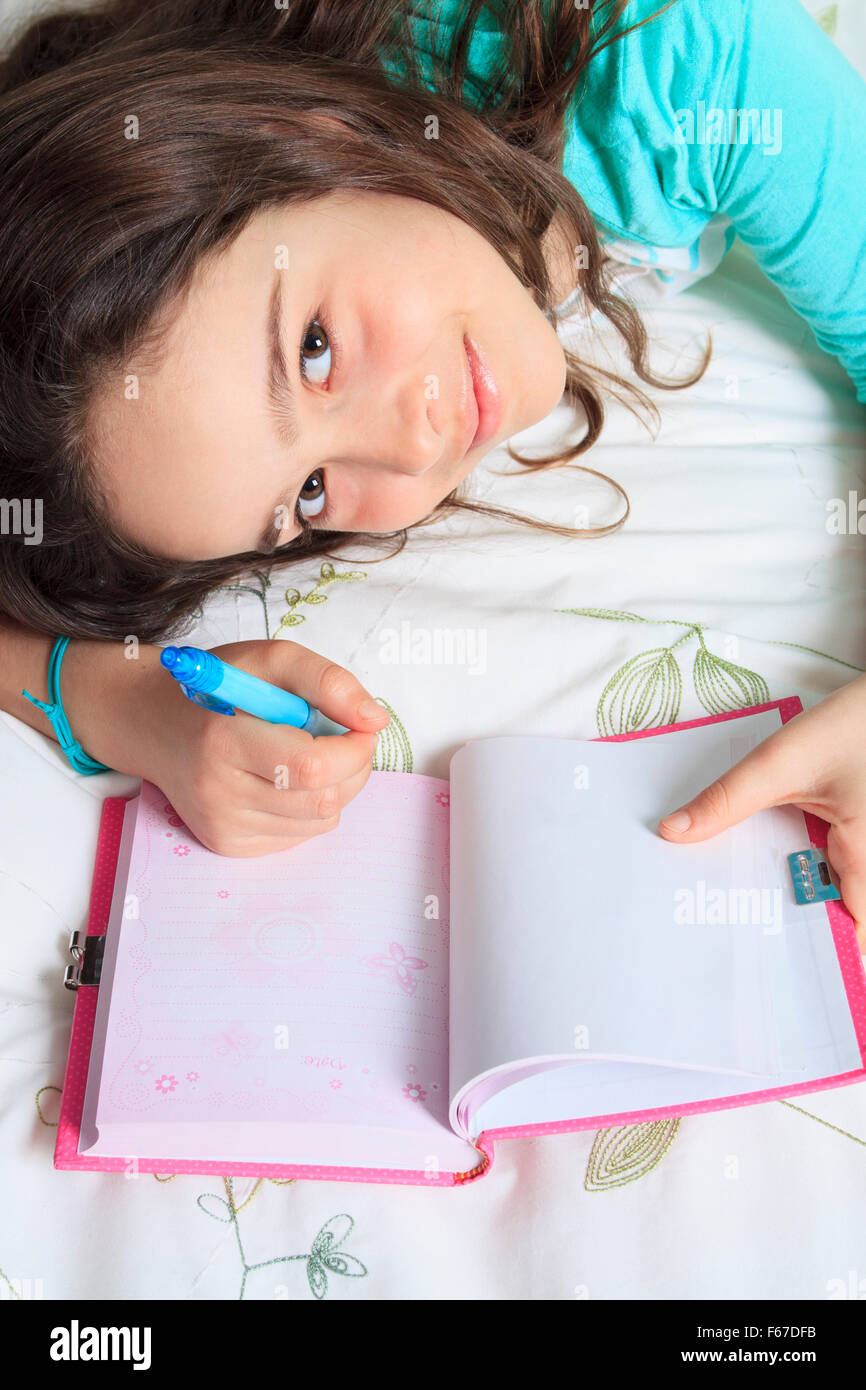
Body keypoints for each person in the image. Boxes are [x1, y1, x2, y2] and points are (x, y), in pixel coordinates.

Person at [0, 0, 864, 935]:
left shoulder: (680, 65)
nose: (412, 448)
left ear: (306, 136)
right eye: (310, 494)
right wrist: (119, 701)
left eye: (316, 350)